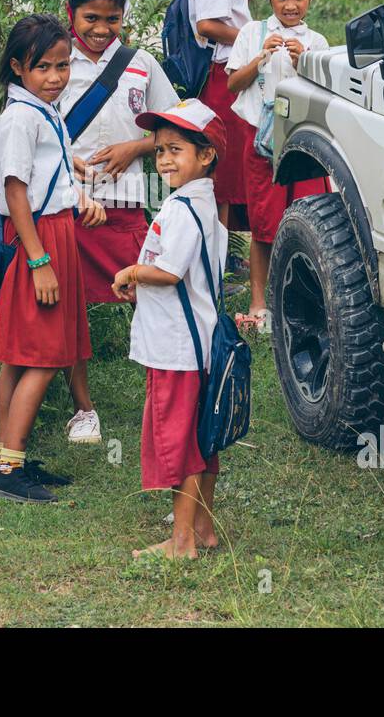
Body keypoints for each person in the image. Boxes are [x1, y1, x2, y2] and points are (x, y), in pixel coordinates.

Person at [0, 14, 107, 503]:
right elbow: (15, 191)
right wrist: (39, 262)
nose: (56, 77)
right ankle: (7, 471)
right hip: (39, 240)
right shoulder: (18, 118)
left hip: (56, 232)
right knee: (41, 354)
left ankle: (8, 455)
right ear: (18, 67)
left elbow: (44, 172)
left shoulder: (42, 110)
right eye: (44, 68)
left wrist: (75, 185)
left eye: (63, 66)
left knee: (23, 353)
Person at [58, 0, 178, 444]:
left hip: (125, 202)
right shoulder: (53, 60)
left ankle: (169, 394)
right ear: (71, 14)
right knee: (67, 307)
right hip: (65, 203)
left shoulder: (141, 63)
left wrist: (138, 147)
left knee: (148, 293)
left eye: (112, 18)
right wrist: (70, 163)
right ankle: (83, 409)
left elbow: (175, 125)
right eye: (91, 18)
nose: (102, 29)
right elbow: (28, 132)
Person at [113, 99, 230, 559]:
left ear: (206, 156)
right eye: (159, 150)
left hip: (176, 347)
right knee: (202, 437)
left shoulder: (180, 209)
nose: (164, 159)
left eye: (176, 149)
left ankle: (181, 542)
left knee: (179, 442)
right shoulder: (205, 204)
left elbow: (170, 271)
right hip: (199, 341)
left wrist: (133, 273)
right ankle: (202, 527)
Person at [226, 0, 331, 330]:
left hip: (303, 144)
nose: (290, 5)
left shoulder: (316, 41)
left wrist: (307, 64)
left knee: (309, 220)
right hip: (260, 142)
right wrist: (259, 59)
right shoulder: (252, 33)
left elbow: (325, 98)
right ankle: (260, 306)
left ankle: (304, 305)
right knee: (264, 225)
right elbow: (232, 84)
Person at [176, 0, 270, 229]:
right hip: (220, 77)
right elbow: (208, 25)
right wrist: (254, 38)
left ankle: (222, 260)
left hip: (222, 74)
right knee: (223, 177)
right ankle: (218, 263)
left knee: (225, 176)